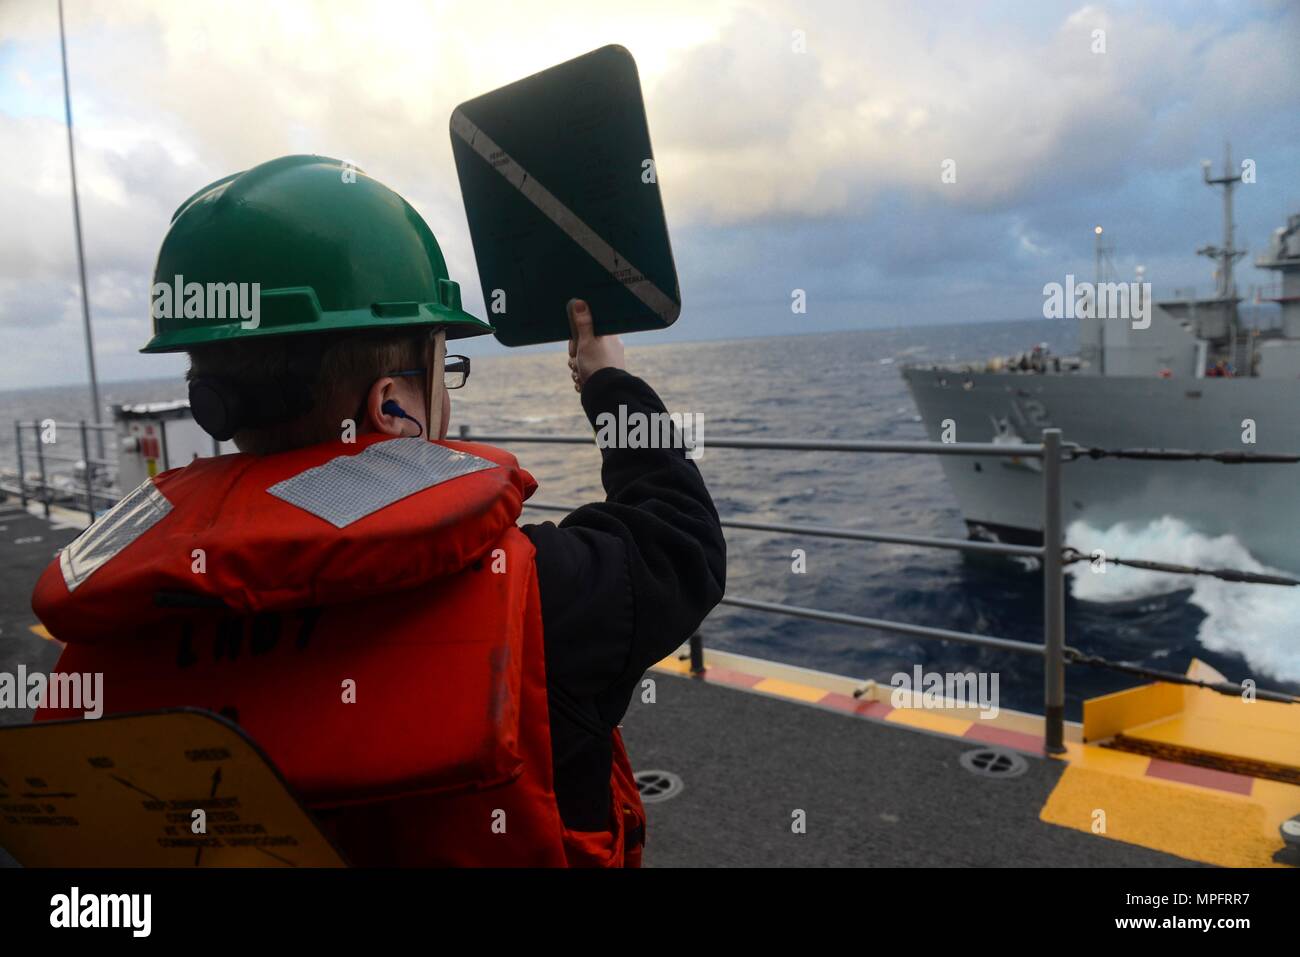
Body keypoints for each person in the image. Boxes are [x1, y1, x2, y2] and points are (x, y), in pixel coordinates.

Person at [31, 155, 726, 867]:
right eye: (442, 366)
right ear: (392, 405)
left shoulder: (123, 618)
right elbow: (682, 539)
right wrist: (609, 381)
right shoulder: (532, 595)